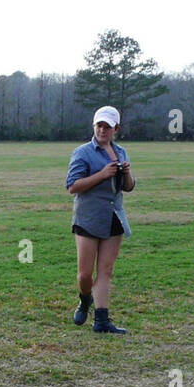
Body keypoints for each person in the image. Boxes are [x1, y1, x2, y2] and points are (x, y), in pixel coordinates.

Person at [65, 105, 135, 334]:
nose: (103, 130)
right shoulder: (83, 152)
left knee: (105, 270)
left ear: (116, 129)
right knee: (85, 274)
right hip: (89, 217)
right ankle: (85, 300)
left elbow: (129, 187)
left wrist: (126, 173)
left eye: (108, 127)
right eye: (99, 126)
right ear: (94, 126)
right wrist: (102, 174)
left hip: (114, 216)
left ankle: (102, 321)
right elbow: (73, 186)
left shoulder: (121, 152)